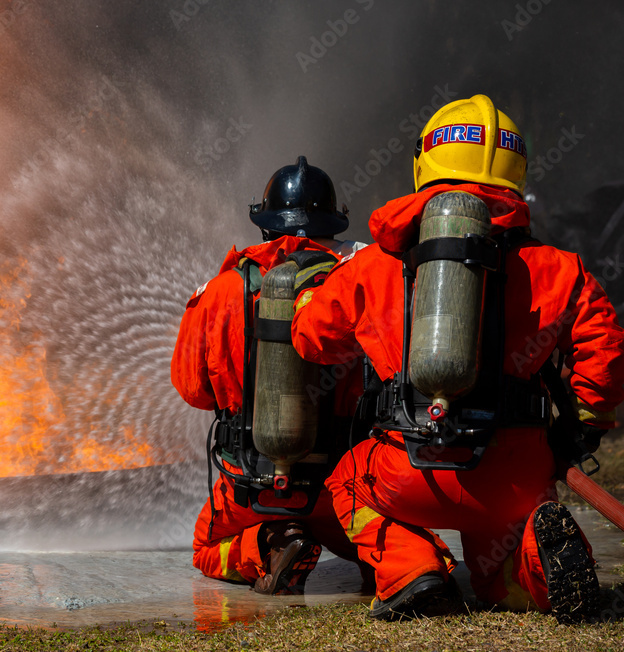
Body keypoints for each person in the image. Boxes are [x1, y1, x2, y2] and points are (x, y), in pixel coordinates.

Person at [291, 94, 624, 621]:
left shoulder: (374, 265)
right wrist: (584, 424)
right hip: (514, 479)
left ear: (425, 164)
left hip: (409, 472)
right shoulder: (560, 268)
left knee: (344, 484)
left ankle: (412, 570)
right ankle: (532, 564)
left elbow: (311, 341)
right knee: (498, 562)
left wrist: (310, 295)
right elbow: (604, 349)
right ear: (515, 169)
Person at [172, 157, 373, 595]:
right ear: (333, 224)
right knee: (388, 540)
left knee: (207, 547)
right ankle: (400, 563)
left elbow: (193, 390)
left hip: (252, 486)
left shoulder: (220, 291)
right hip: (341, 487)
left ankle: (271, 545)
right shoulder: (357, 285)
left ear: (264, 224)